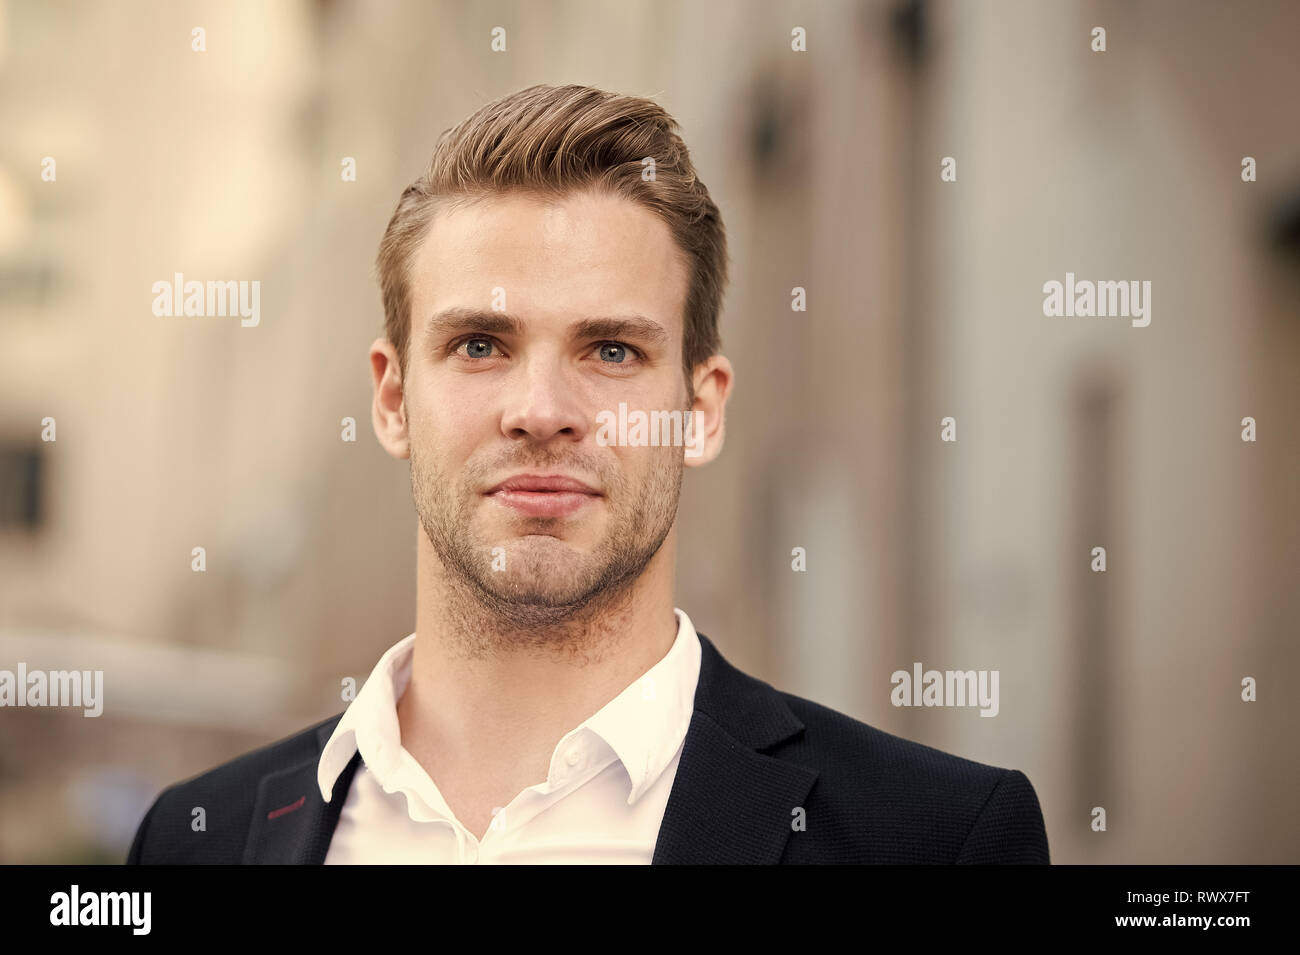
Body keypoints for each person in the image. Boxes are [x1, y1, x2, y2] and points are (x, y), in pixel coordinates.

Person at [128, 84, 1049, 864]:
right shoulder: (193, 838)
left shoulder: (937, 839)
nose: (541, 408)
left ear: (702, 408)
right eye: (480, 344)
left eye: (611, 349)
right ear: (394, 398)